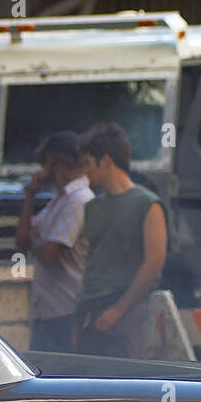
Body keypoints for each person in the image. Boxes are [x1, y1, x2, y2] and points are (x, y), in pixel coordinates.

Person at [75, 122, 166, 358]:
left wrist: (119, 309)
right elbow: (91, 260)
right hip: (90, 309)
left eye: (87, 163)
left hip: (128, 312)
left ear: (105, 161)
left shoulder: (147, 204)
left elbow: (154, 262)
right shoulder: (93, 207)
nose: (84, 171)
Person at [15, 131, 94, 353]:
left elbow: (50, 253)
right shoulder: (59, 202)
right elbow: (21, 241)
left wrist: (35, 243)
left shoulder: (78, 200)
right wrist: (30, 194)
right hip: (48, 309)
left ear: (57, 162)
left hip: (67, 311)